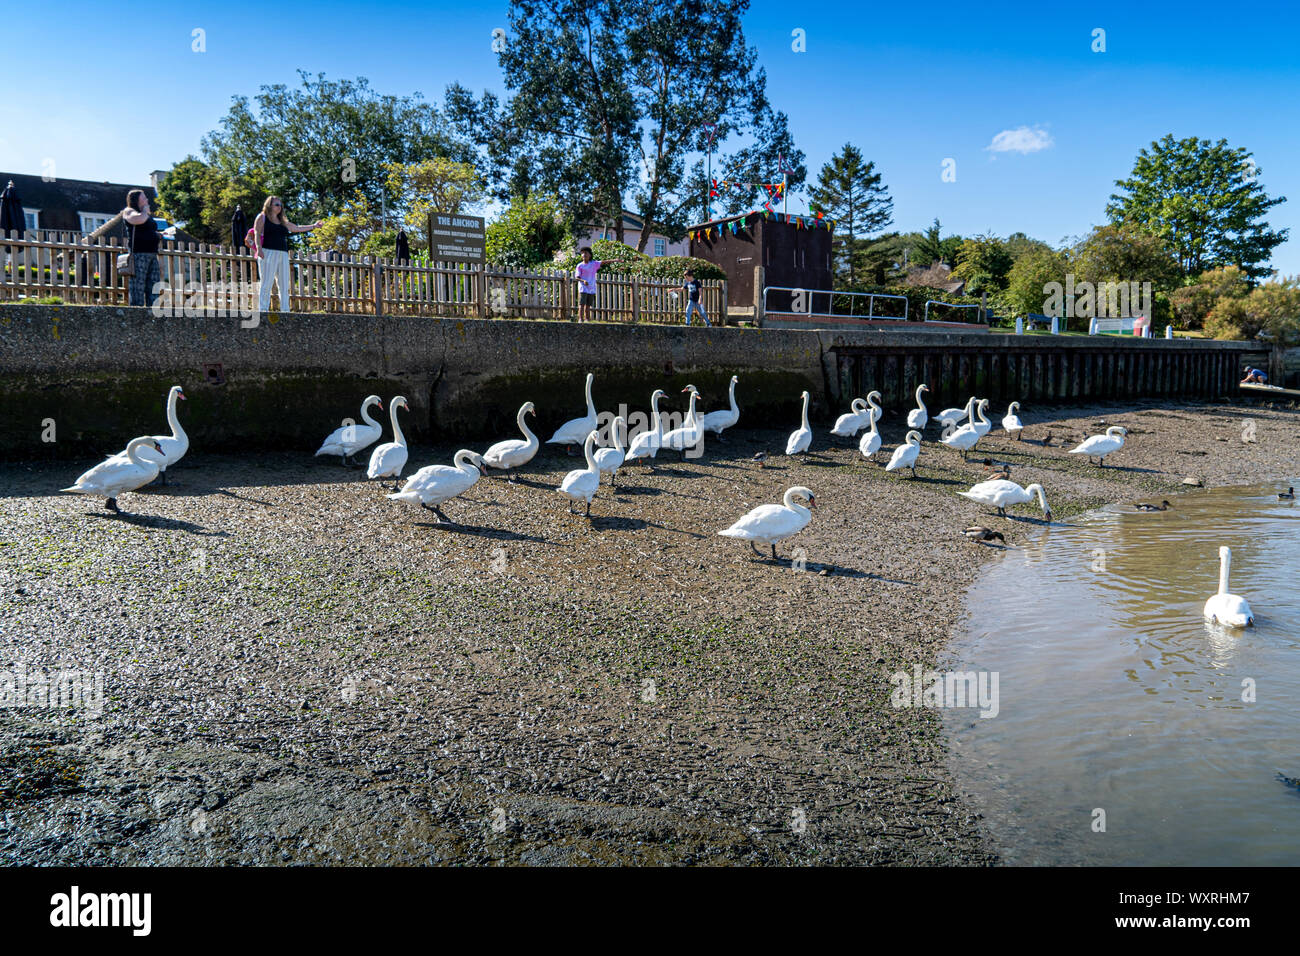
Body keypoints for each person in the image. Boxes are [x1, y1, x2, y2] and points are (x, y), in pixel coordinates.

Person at [253, 196, 322, 314]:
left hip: (283, 254)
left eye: (280, 205)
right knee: (266, 283)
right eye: (276, 204)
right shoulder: (262, 217)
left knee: (284, 284)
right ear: (269, 205)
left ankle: (285, 310)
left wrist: (313, 226)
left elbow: (296, 228)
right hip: (268, 252)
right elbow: (256, 233)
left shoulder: (282, 221)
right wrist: (259, 248)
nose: (279, 207)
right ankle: (263, 310)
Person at [122, 189, 175, 307]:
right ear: (136, 199)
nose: (147, 199)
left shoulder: (145, 214)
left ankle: (152, 312)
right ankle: (137, 313)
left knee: (153, 286)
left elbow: (148, 230)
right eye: (144, 197)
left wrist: (160, 235)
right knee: (138, 287)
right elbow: (138, 220)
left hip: (152, 254)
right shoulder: (129, 211)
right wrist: (145, 212)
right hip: (138, 254)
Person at [574, 247, 605, 322]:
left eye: (586, 253)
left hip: (591, 287)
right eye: (583, 253)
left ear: (590, 255)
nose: (584, 254)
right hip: (583, 287)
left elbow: (604, 262)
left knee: (588, 305)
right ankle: (580, 319)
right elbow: (577, 277)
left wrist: (616, 260)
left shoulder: (594, 264)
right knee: (582, 304)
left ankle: (587, 319)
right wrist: (583, 281)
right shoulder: (580, 265)